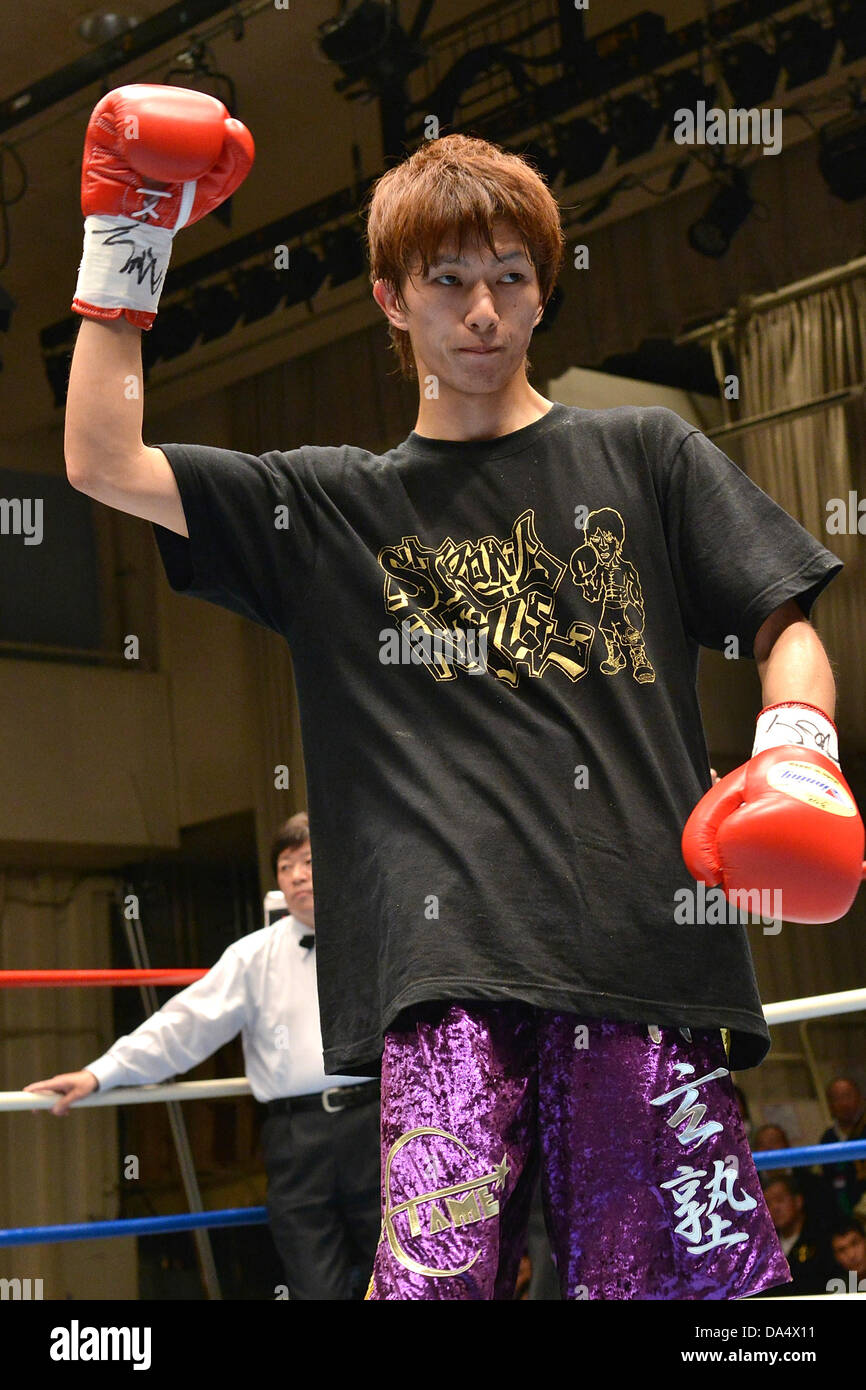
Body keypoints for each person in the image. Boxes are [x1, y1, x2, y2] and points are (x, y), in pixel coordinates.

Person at [63, 86, 865, 1301]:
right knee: (432, 1287)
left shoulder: (642, 453)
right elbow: (101, 461)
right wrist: (127, 237)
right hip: (442, 978)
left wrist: (798, 749)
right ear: (391, 299)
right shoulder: (327, 505)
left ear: (545, 288)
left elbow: (782, 617)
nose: (481, 311)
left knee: (694, 1305)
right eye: (446, 282)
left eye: (508, 278)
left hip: (641, 961)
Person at [25, 813, 381, 1300]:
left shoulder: (381, 939)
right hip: (296, 1139)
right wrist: (100, 1073)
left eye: (310, 861)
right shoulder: (252, 957)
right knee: (314, 1285)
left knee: (402, 1271)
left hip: (380, 1120)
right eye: (285, 865)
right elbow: (183, 1026)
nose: (298, 875)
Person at [760, 1176, 837, 1296]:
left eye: (780, 1200)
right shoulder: (763, 1248)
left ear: (798, 1201)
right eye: (768, 1204)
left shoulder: (822, 1239)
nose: (775, 1208)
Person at [753, 1122, 837, 1225]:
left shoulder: (811, 1182)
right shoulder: (749, 1188)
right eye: (762, 1145)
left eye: (774, 1142)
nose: (769, 1148)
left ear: (787, 1145)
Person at [819, 1076, 866, 1218]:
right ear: (829, 1105)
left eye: (847, 1096)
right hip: (843, 1212)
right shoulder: (827, 1139)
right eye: (836, 1098)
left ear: (860, 1098)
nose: (843, 1103)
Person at [829, 1217, 866, 1291]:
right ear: (836, 1257)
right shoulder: (837, 1292)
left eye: (855, 1243)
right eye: (842, 1250)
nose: (851, 1255)